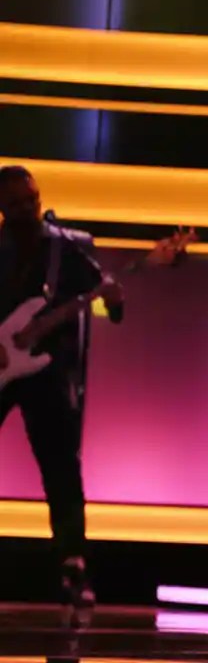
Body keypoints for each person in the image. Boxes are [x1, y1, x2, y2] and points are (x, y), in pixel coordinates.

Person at [0, 164, 124, 608]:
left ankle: (73, 563)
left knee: (61, 470)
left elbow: (103, 296)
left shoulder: (65, 248)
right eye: (15, 203)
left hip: (47, 373)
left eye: (31, 200)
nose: (27, 209)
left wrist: (114, 301)